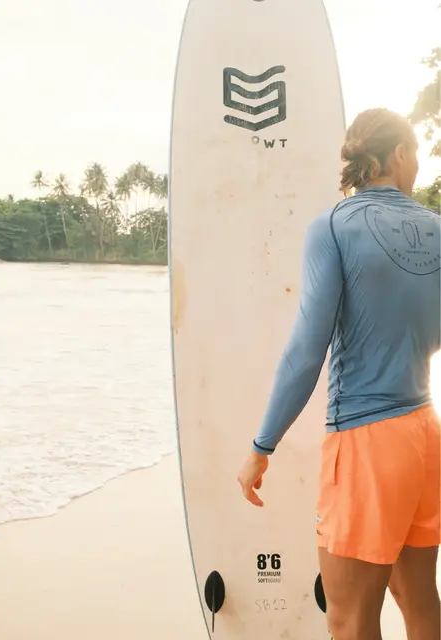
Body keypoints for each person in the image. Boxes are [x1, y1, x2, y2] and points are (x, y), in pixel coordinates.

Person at [237, 108, 440, 640]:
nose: (417, 165)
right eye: (416, 155)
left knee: (350, 619)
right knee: (419, 601)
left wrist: (262, 445)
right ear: (398, 154)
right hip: (424, 433)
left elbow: (307, 351)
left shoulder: (332, 227)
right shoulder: (437, 229)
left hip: (367, 441)